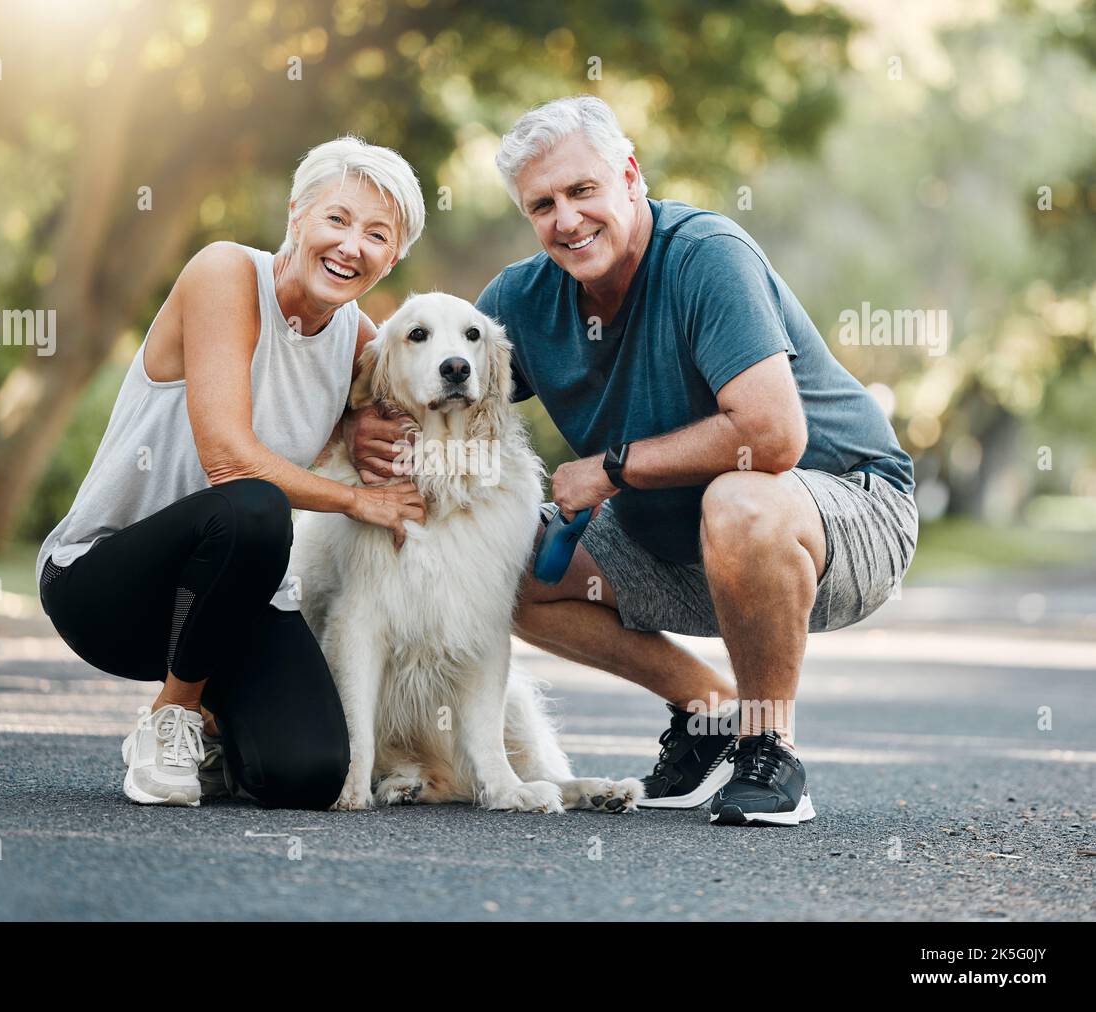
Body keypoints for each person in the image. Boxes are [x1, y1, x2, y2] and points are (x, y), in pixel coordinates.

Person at [345, 96, 917, 827]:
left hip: (843, 514)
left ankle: (770, 747)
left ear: (630, 177)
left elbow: (772, 437)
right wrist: (365, 421)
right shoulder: (521, 300)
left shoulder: (706, 257)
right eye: (543, 204)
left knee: (740, 500)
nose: (567, 219)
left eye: (583, 191)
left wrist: (610, 469)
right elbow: (432, 372)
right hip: (673, 533)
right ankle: (712, 714)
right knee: (511, 568)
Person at [36, 135, 427, 810]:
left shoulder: (363, 341)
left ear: (391, 258)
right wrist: (359, 503)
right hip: (106, 588)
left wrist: (357, 428)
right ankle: (173, 717)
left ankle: (219, 735)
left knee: (307, 776)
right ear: (295, 216)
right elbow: (229, 459)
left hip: (232, 602)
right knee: (255, 506)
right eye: (336, 219)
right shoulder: (224, 273)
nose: (351, 245)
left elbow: (424, 417)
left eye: (376, 234)